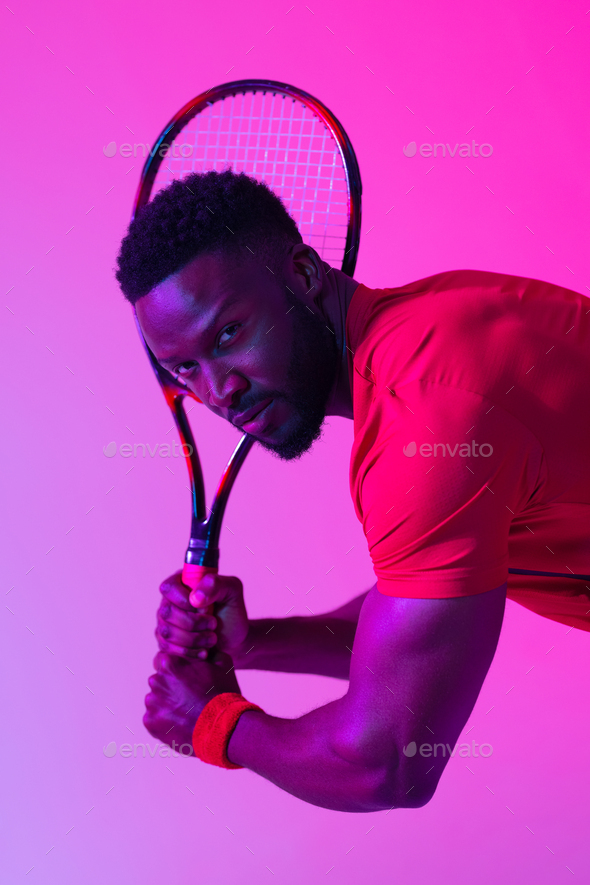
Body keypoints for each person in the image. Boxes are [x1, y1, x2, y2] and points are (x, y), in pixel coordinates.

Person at [116, 170, 590, 813]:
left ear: (305, 275)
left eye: (228, 334)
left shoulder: (424, 423)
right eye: (185, 368)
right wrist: (253, 642)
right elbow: (417, 617)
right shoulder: (429, 336)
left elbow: (387, 764)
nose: (217, 391)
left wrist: (214, 724)